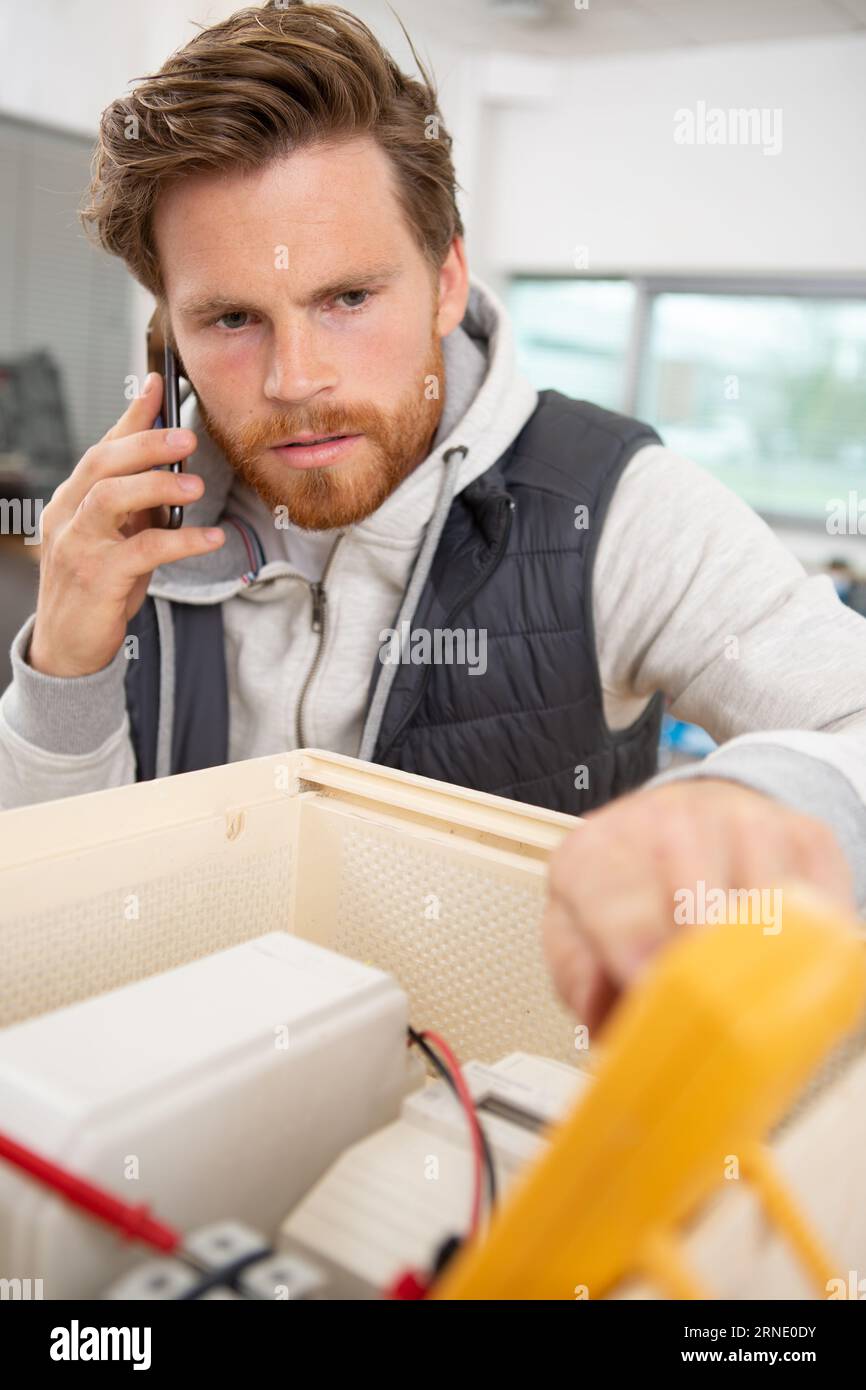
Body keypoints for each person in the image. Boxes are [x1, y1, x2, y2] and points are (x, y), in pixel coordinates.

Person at [2, 1, 865, 1030]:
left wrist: (755, 808)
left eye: (347, 299)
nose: (295, 380)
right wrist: (64, 672)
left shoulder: (611, 503)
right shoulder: (132, 530)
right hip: (184, 1095)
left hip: (492, 1140)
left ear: (446, 278)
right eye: (231, 319)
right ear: (171, 337)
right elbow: (48, 931)